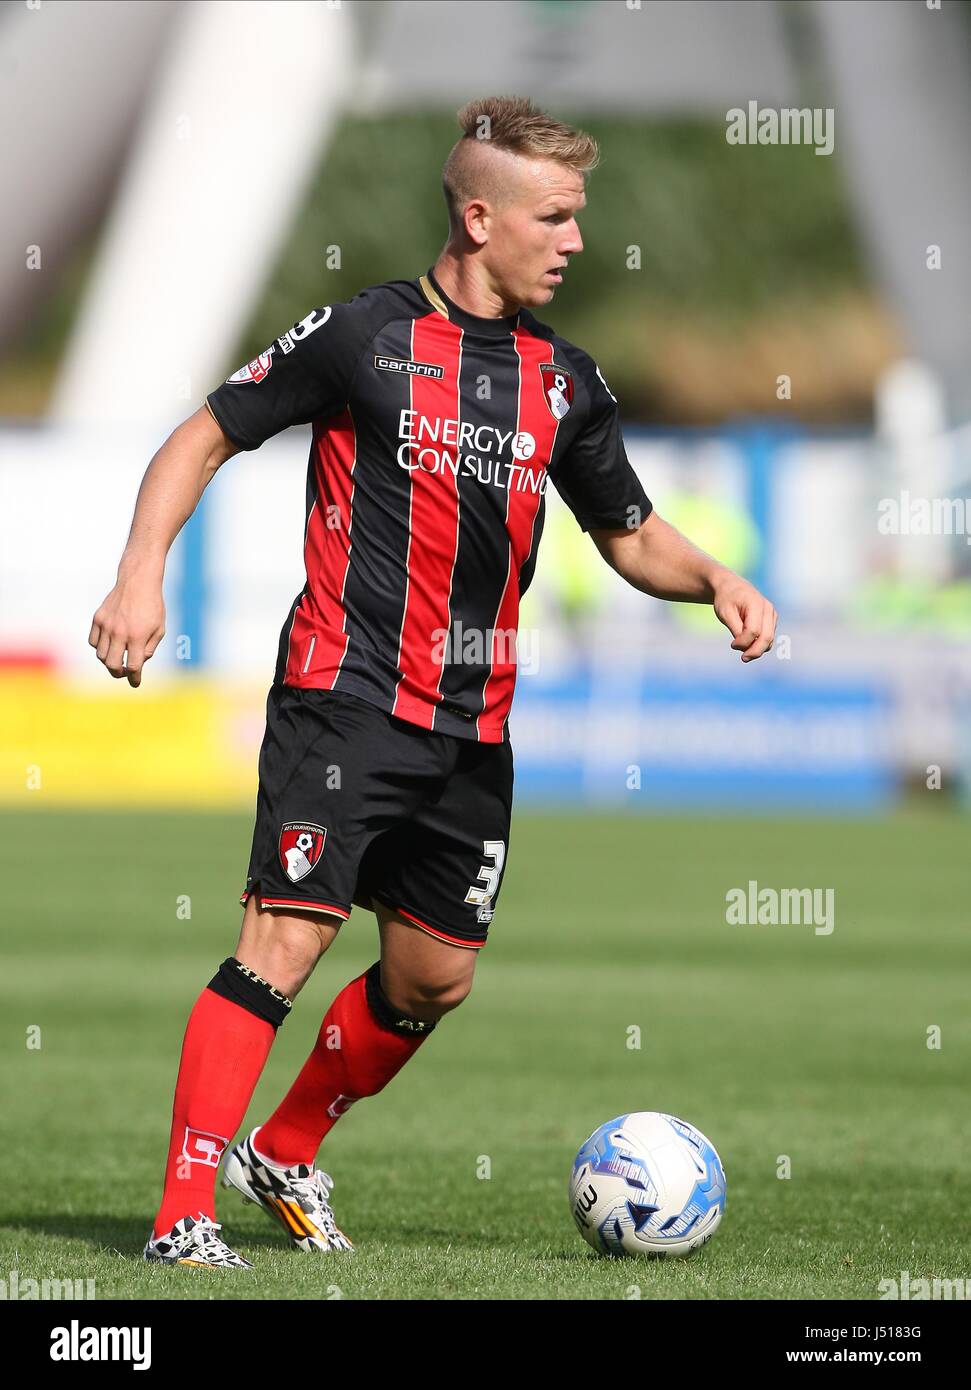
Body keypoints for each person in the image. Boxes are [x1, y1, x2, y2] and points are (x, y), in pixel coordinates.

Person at [89, 96, 777, 1269]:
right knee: (284, 942)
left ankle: (287, 1147)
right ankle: (179, 1220)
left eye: (575, 217)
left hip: (473, 727)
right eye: (553, 217)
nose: (572, 240)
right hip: (344, 695)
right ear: (477, 217)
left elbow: (627, 532)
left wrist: (710, 575)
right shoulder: (362, 337)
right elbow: (200, 435)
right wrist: (139, 576)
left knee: (431, 977)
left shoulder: (562, 380)